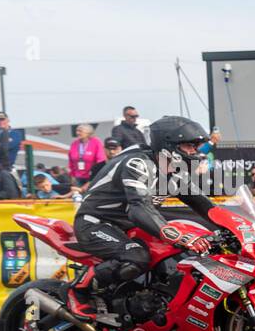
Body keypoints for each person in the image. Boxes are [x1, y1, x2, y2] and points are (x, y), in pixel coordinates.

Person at [68, 116, 218, 319]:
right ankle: (79, 290)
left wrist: (235, 226)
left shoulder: (171, 170)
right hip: (95, 224)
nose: (195, 151)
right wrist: (179, 236)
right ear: (168, 147)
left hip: (124, 228)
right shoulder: (138, 163)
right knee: (136, 257)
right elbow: (138, 208)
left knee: (171, 256)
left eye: (195, 146)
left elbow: (201, 203)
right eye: (189, 146)